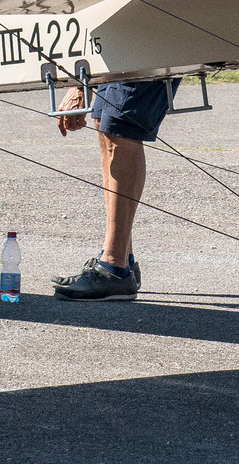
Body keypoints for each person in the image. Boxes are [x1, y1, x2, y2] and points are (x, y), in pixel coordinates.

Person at [50, 63, 178, 301]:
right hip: (121, 50)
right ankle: (122, 259)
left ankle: (114, 268)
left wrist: (80, 86)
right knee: (104, 122)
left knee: (120, 129)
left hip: (145, 42)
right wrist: (82, 83)